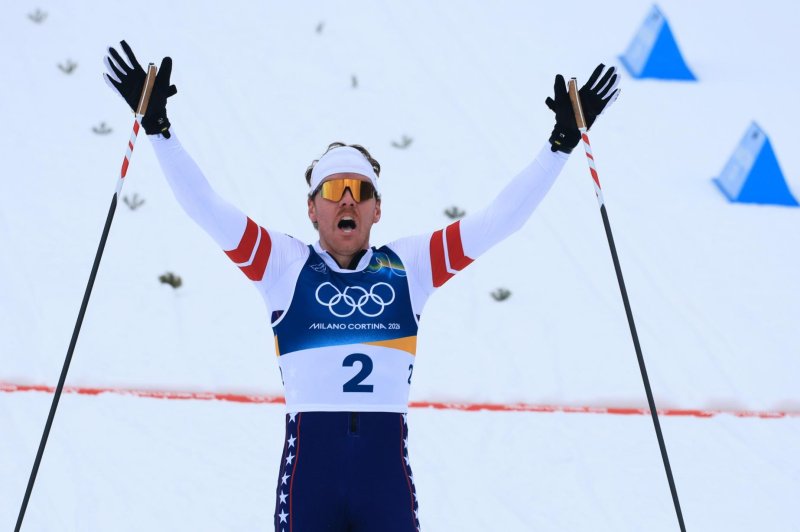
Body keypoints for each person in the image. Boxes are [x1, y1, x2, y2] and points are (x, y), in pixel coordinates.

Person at [104, 41, 619, 532]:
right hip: (312, 473)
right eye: (333, 190)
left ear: (377, 209)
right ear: (312, 208)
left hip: (383, 476)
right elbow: (206, 208)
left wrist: (559, 147)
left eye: (361, 190)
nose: (347, 200)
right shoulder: (283, 266)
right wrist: (159, 131)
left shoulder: (410, 267)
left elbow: (499, 220)